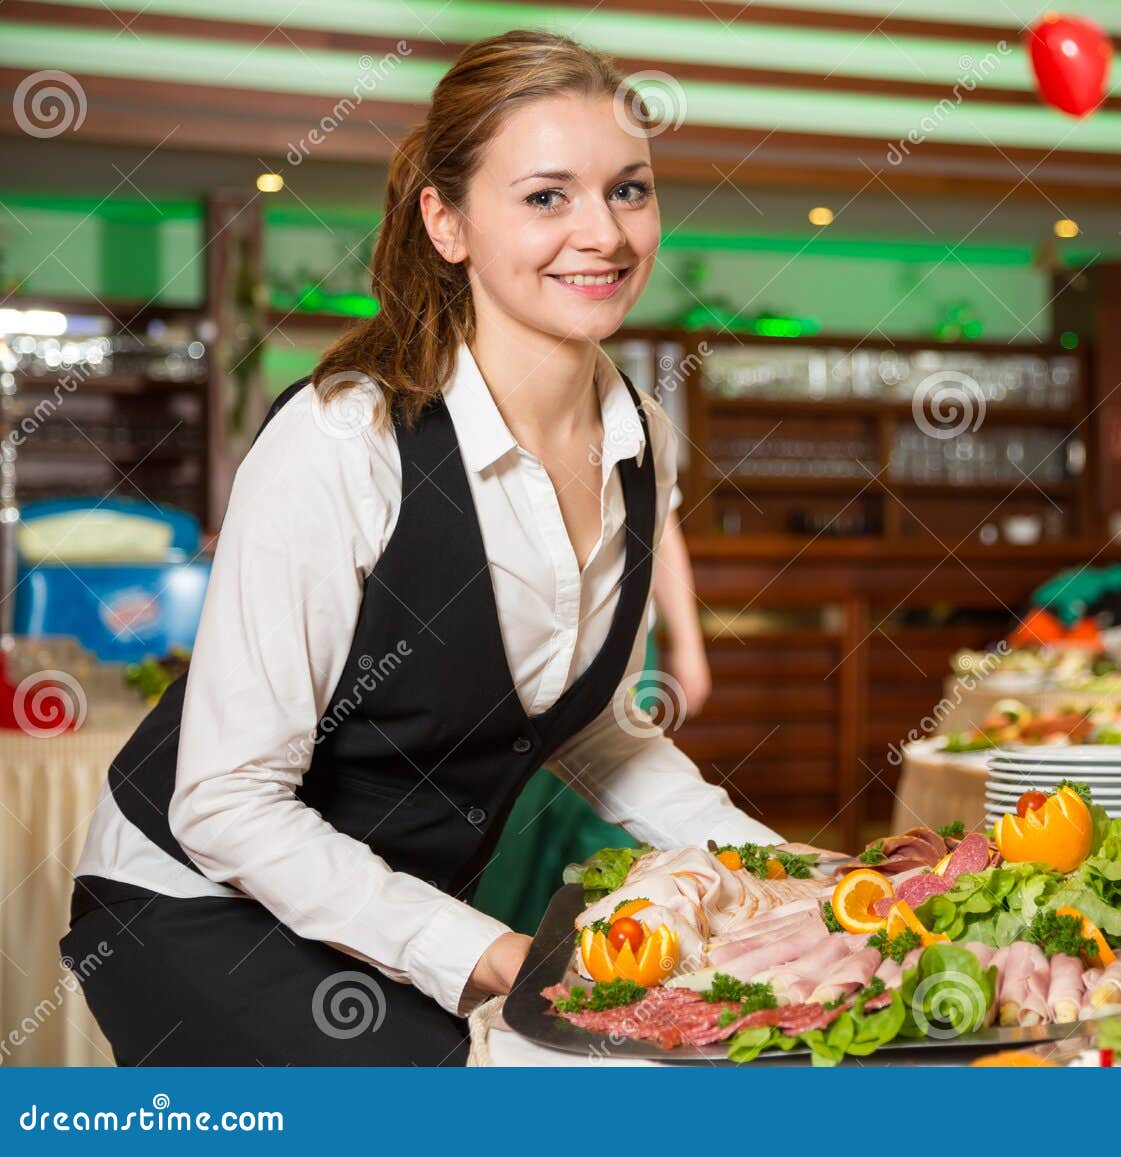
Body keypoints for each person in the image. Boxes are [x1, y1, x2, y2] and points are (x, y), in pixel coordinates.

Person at [61, 29, 810, 1066]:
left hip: (387, 904)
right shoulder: (343, 440)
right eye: (546, 196)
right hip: (194, 901)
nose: (602, 231)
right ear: (447, 221)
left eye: (628, 190)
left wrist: (791, 872)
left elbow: (587, 731)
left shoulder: (641, 439)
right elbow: (225, 802)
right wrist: (495, 951)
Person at [471, 505, 714, 932]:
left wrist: (689, 643)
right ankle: (505, 966)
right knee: (516, 828)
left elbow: (661, 525)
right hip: (523, 659)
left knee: (609, 830)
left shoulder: (645, 444)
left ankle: (605, 957)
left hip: (621, 654)